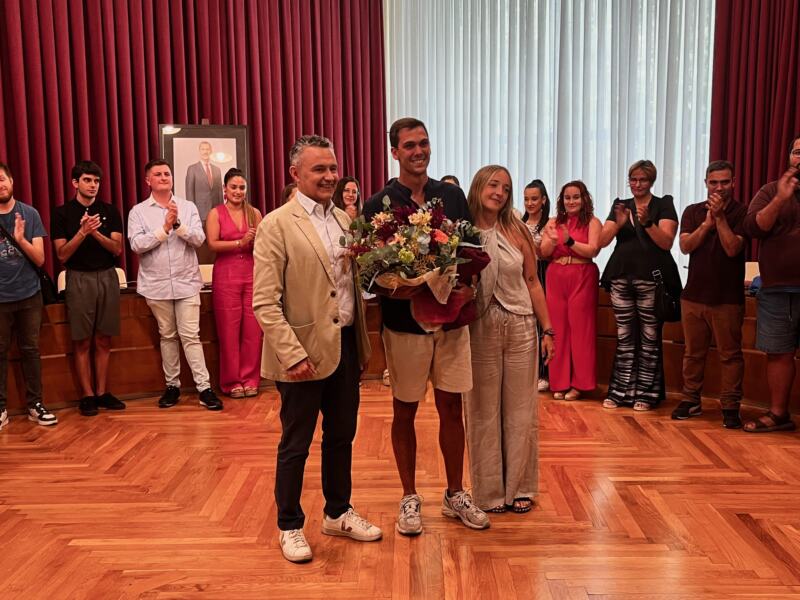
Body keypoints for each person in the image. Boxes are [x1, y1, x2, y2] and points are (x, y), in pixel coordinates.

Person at [253, 135, 380, 564]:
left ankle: (337, 511)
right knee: (296, 442)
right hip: (301, 354)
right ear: (295, 174)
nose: (329, 176)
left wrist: (360, 346)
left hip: (343, 345)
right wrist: (293, 354)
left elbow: (349, 290)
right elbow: (264, 302)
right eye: (318, 170)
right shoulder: (276, 224)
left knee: (342, 435)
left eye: (332, 168)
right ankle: (289, 524)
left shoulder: (346, 221)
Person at [363, 117, 489, 535]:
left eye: (424, 143)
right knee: (405, 410)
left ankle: (455, 494)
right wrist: (402, 287)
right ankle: (409, 497)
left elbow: (471, 251)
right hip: (403, 327)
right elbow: (369, 276)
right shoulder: (378, 205)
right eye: (410, 145)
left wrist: (467, 286)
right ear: (394, 152)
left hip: (452, 325)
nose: (419, 151)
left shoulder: (451, 197)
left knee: (453, 409)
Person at [463, 165, 554, 514]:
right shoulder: (463, 229)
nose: (499, 192)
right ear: (479, 186)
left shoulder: (515, 228)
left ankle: (520, 486)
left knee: (520, 410)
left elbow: (533, 281)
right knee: (483, 410)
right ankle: (487, 491)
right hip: (480, 326)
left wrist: (548, 329)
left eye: (506, 187)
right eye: (493, 184)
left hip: (520, 324)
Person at [128, 159, 222, 411]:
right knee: (167, 336)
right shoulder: (138, 211)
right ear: (148, 181)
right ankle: (173, 387)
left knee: (191, 336)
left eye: (167, 173)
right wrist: (164, 229)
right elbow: (136, 245)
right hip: (156, 285)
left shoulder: (187, 206)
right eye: (157, 174)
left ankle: (204, 389)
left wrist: (178, 225)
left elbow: (199, 239)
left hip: (186, 282)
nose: (163, 177)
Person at [598, 160, 680, 411]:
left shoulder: (663, 204)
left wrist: (647, 223)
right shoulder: (621, 205)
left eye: (642, 179)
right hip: (621, 278)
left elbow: (666, 242)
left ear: (651, 181)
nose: (637, 184)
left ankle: (645, 393)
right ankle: (620, 391)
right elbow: (601, 241)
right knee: (625, 338)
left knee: (649, 337)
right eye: (633, 179)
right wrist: (620, 222)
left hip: (651, 280)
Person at [672, 161, 746, 428]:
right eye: (714, 182)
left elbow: (732, 249)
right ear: (705, 183)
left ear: (733, 183)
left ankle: (730, 406)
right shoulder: (692, 211)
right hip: (693, 297)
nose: (719, 187)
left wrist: (721, 218)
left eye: (725, 182)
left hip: (728, 299)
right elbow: (685, 246)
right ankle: (691, 400)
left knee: (730, 355)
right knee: (693, 353)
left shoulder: (742, 212)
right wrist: (706, 224)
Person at [52, 160, 126, 417]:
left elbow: (117, 249)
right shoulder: (62, 213)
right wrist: (83, 232)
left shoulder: (110, 210)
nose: (93, 185)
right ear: (75, 183)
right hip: (78, 278)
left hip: (107, 276)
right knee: (82, 340)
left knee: (104, 339)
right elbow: (61, 254)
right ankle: (86, 394)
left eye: (96, 181)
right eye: (87, 180)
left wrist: (95, 233)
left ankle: (103, 391)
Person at [741, 135, 800, 433]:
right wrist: (781, 198)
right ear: (789, 157)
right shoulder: (769, 191)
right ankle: (779, 414)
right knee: (778, 352)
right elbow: (754, 227)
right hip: (777, 288)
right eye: (798, 152)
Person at [0, 162, 58, 429]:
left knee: (30, 350)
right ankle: (1, 408)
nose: (0, 185)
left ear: (11, 181)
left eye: (3, 179)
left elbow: (40, 258)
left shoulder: (29, 213)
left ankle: (35, 404)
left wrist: (21, 239)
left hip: (29, 295)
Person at [538, 180, 601, 400]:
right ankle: (559, 382)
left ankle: (579, 384)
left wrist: (569, 240)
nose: (571, 201)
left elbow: (593, 250)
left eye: (576, 197)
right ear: (561, 201)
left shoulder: (593, 222)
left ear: (584, 199)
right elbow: (543, 252)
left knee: (580, 331)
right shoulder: (554, 222)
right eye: (567, 197)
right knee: (557, 330)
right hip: (556, 275)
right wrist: (553, 240)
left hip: (582, 276)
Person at [205, 168, 262, 398]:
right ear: (225, 190)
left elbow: (263, 243)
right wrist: (240, 242)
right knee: (228, 330)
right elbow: (212, 244)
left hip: (252, 273)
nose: (238, 191)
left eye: (242, 187)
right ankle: (231, 382)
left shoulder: (254, 213)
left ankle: (250, 379)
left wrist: (257, 240)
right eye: (234, 187)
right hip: (226, 275)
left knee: (252, 330)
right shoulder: (215, 213)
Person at [522, 179, 552, 392]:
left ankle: (543, 373)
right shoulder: (518, 222)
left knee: (542, 324)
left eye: (534, 199)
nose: (530, 203)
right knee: (525, 322)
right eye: (526, 199)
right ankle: (526, 371)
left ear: (543, 200)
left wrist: (528, 242)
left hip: (542, 273)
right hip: (520, 275)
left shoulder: (550, 223)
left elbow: (544, 252)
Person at [184, 141, 223, 221]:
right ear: (199, 151)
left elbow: (220, 192)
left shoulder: (217, 170)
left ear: (211, 151)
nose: (205, 152)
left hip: (216, 213)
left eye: (207, 149)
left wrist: (221, 211)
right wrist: (192, 214)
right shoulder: (192, 169)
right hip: (200, 214)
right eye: (203, 149)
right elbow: (189, 193)